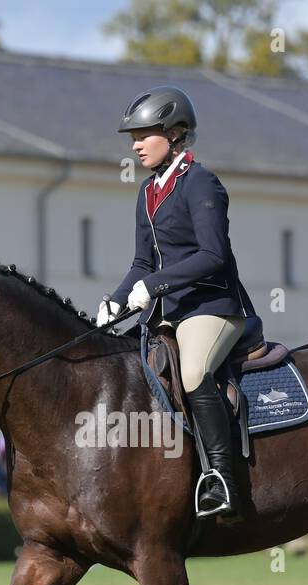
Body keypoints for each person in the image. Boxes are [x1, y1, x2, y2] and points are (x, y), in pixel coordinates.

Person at [99, 86, 265, 518]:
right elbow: (141, 261)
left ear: (175, 134)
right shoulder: (148, 192)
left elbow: (213, 257)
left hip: (213, 307)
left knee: (192, 372)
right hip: (169, 311)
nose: (135, 144)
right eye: (132, 137)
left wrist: (154, 286)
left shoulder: (201, 182)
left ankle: (222, 480)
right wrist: (115, 303)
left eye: (145, 134)